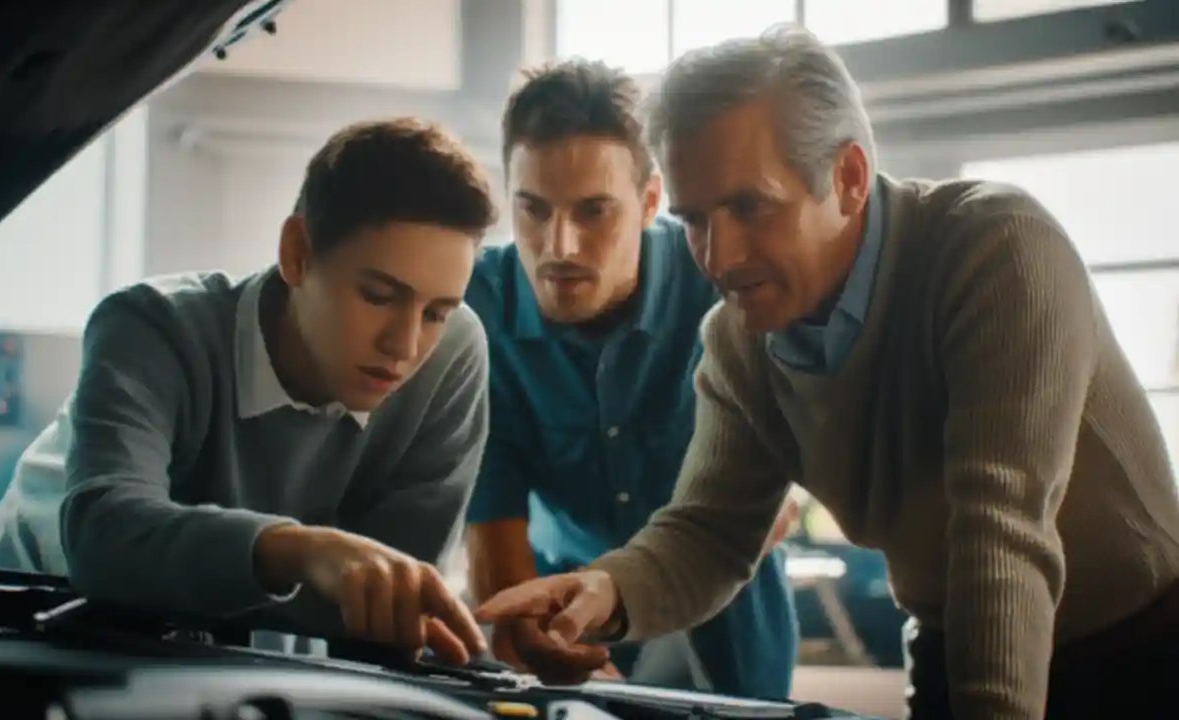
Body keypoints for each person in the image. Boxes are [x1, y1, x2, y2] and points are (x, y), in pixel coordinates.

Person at [475, 26, 1179, 720]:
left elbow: (999, 532)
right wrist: (603, 591)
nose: (718, 258)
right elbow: (710, 533)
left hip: (1141, 645)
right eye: (695, 220)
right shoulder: (737, 338)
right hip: (947, 639)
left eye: (750, 207)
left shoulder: (998, 249)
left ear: (847, 177)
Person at [0, 118, 496, 663]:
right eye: (377, 295)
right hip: (33, 620)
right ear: (296, 252)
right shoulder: (151, 326)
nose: (406, 345)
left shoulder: (454, 352)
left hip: (236, 652)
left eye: (437, 311)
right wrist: (299, 551)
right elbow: (104, 538)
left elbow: (384, 610)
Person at [462, 59, 799, 698]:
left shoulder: (723, 280)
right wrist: (539, 640)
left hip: (723, 585)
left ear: (649, 202)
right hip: (559, 594)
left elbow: (767, 504)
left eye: (594, 212)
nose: (559, 245)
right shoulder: (476, 310)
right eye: (532, 210)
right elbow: (494, 538)